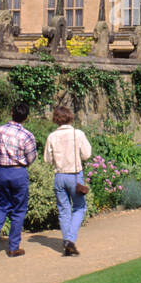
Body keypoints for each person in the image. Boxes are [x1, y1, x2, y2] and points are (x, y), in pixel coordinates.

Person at [0, 102, 37, 259]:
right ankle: (13, 247)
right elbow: (31, 157)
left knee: (1, 206)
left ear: (11, 112)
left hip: (2, 171)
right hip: (18, 172)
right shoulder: (27, 135)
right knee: (18, 210)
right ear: (26, 117)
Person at [44, 105, 93, 256]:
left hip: (59, 176)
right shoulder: (77, 134)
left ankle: (67, 242)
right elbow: (86, 154)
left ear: (56, 119)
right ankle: (70, 240)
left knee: (64, 211)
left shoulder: (52, 136)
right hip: (74, 175)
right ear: (70, 117)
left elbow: (47, 160)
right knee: (79, 208)